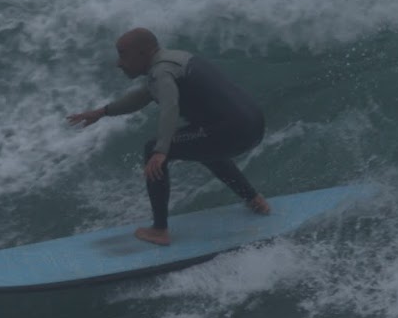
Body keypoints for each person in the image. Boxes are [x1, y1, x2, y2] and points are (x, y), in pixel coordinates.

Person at [68, 28, 270, 245]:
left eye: (123, 54)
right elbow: (144, 96)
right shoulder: (175, 59)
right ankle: (254, 199)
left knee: (152, 149)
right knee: (204, 146)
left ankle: (159, 230)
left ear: (143, 53)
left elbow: (169, 105)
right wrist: (102, 112)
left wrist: (161, 150)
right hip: (252, 125)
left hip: (230, 131)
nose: (119, 63)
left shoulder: (161, 72)